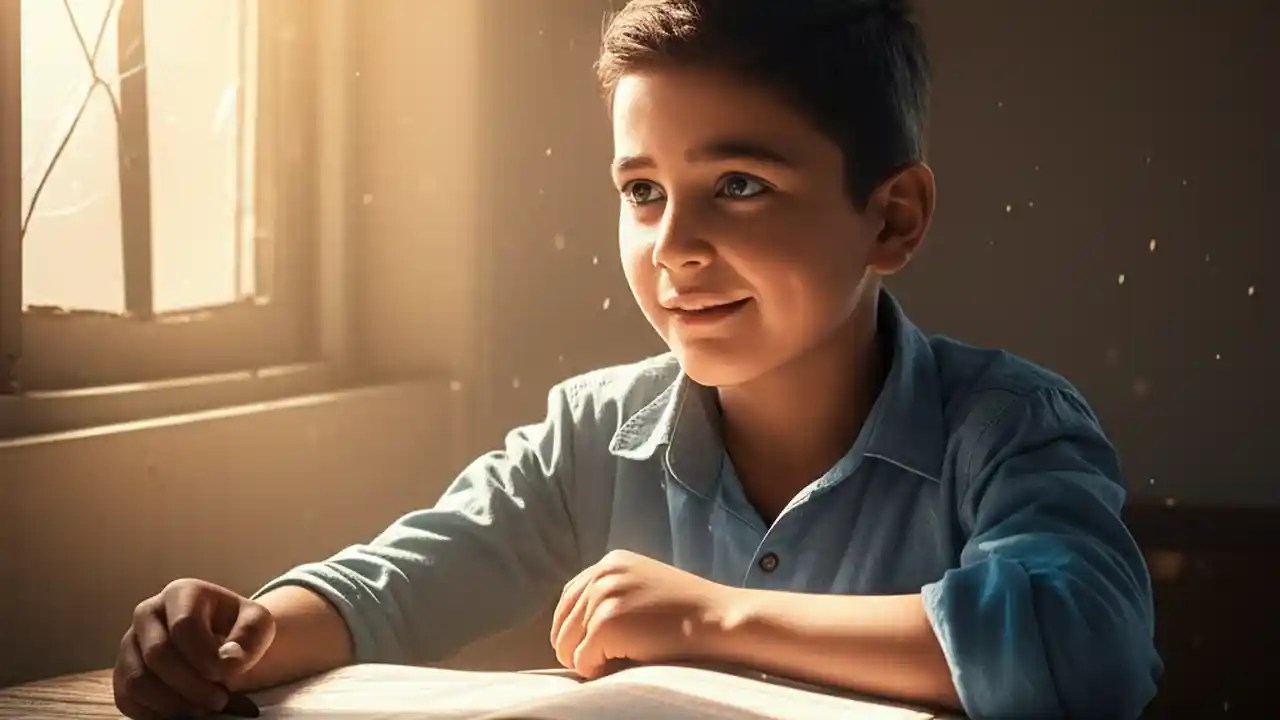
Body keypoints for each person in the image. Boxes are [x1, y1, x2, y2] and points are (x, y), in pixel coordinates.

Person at [112, 1, 1162, 717]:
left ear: (891, 218)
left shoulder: (1005, 428)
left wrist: (709, 617)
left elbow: (1085, 645)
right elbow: (395, 588)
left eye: (739, 184)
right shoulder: (591, 433)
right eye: (641, 191)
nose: (673, 246)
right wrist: (237, 634)